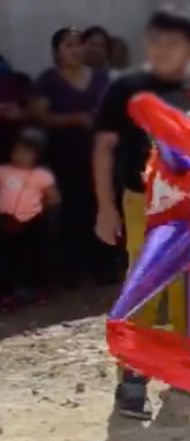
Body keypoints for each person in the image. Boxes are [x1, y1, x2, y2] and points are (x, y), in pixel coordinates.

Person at [93, 7, 190, 419]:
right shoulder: (126, 89)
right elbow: (103, 149)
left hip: (188, 207)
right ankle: (132, 383)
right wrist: (105, 207)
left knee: (186, 291)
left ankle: (184, 369)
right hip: (142, 203)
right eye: (161, 40)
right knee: (145, 288)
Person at [31, 26, 112, 286]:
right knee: (72, 212)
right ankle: (74, 271)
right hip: (64, 156)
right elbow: (38, 114)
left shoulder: (100, 78)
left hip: (99, 156)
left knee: (102, 206)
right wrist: (74, 119)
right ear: (57, 51)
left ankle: (105, 266)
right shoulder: (49, 80)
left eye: (78, 44)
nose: (75, 50)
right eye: (68, 45)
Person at [0, 128, 59, 309]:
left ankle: (40, 288)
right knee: (8, 258)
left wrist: (42, 208)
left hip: (34, 221)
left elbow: (54, 197)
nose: (20, 156)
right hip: (6, 221)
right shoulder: (3, 171)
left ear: (37, 155)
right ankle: (8, 293)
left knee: (37, 255)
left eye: (27, 153)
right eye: (17, 151)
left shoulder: (42, 175)